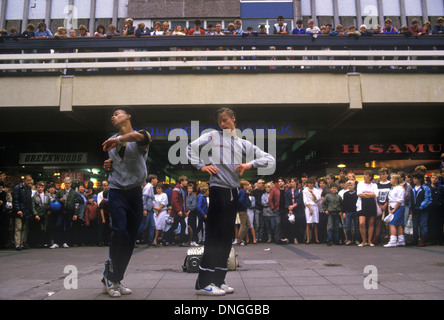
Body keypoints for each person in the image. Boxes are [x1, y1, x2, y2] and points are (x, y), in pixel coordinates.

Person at [187, 107, 275, 296]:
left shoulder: (242, 144)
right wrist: (202, 166)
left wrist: (250, 164)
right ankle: (203, 284)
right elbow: (190, 147)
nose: (222, 124)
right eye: (220, 121)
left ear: (233, 119)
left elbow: (269, 159)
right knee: (215, 237)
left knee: (227, 238)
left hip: (233, 193)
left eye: (225, 120)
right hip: (218, 191)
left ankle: (219, 280)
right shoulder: (213, 136)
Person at [101, 106, 151, 297]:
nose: (113, 116)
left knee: (130, 238)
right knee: (119, 232)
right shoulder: (111, 142)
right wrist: (107, 165)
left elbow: (139, 138)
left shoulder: (140, 136)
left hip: (135, 193)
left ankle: (115, 279)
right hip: (117, 192)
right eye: (112, 115)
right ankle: (111, 277)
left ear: (128, 116)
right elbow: (114, 166)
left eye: (117, 113)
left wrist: (119, 139)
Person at [51, 177, 78, 248]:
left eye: (68, 183)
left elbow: (76, 204)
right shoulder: (60, 192)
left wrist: (75, 213)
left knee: (68, 227)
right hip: (61, 211)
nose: (67, 185)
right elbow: (55, 200)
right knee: (58, 226)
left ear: (71, 184)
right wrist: (60, 200)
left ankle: (65, 242)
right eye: (66, 183)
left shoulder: (74, 193)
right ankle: (56, 242)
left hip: (70, 212)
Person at [409, 171, 432, 247]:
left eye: (415, 178)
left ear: (420, 179)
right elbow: (410, 199)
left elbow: (428, 199)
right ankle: (415, 239)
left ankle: (423, 240)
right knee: (415, 225)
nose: (414, 180)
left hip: (423, 209)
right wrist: (411, 208)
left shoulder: (425, 188)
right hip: (414, 209)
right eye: (413, 178)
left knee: (423, 224)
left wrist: (421, 206)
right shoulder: (412, 189)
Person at [357, 170, 378, 247]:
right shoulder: (360, 183)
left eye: (366, 175)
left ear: (370, 177)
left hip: (371, 204)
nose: (364, 176)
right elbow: (359, 194)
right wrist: (369, 195)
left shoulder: (374, 185)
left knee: (371, 223)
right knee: (361, 223)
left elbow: (375, 194)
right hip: (362, 204)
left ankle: (369, 241)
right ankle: (363, 240)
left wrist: (365, 194)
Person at [384, 174, 406, 247]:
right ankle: (401, 240)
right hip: (392, 207)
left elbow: (400, 200)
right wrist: (389, 208)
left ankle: (393, 241)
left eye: (392, 179)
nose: (390, 180)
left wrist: (394, 209)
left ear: (396, 180)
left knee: (392, 223)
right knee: (398, 224)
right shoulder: (393, 188)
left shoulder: (400, 188)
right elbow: (390, 199)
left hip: (398, 207)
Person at [165, 176, 188, 246]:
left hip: (179, 211)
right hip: (178, 211)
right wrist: (179, 211)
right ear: (181, 181)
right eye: (185, 181)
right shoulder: (177, 189)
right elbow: (174, 201)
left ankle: (166, 239)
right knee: (182, 225)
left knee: (175, 226)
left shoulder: (181, 189)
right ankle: (181, 241)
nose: (187, 182)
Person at [12, 175, 33, 250]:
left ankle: (21, 243)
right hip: (19, 210)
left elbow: (29, 201)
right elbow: (15, 199)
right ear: (24, 180)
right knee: (18, 227)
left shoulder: (28, 188)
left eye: (30, 180)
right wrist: (18, 209)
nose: (29, 182)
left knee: (24, 228)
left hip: (26, 210)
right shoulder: (17, 188)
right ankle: (17, 244)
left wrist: (29, 211)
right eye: (28, 180)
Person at [138, 174, 157, 247]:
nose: (157, 180)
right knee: (143, 225)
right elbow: (144, 198)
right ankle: (132, 239)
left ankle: (150, 241)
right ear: (152, 179)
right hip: (147, 210)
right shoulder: (148, 187)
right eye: (156, 179)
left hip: (149, 210)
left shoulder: (150, 187)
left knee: (151, 225)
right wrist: (144, 209)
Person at [30, 181, 50, 248]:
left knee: (45, 229)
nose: (40, 189)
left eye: (41, 187)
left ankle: (45, 242)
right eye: (38, 187)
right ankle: (37, 243)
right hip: (38, 214)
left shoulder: (46, 196)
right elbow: (33, 206)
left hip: (45, 214)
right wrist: (35, 214)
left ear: (43, 188)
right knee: (37, 229)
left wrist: (49, 210)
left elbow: (49, 204)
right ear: (36, 188)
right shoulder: (34, 197)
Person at [269, 178, 289, 244]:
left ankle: (284, 238)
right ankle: (277, 239)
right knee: (278, 224)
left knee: (284, 223)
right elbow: (270, 199)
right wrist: (273, 208)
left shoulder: (287, 190)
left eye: (281, 181)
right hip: (277, 209)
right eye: (279, 181)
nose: (280, 183)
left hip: (285, 209)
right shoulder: (274, 190)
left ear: (284, 182)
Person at [375, 167, 392, 245]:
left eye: (384, 174)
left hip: (388, 205)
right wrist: (379, 204)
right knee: (378, 222)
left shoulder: (390, 184)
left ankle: (389, 237)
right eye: (381, 174)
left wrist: (386, 204)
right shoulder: (377, 184)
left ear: (387, 174)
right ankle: (376, 237)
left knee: (388, 222)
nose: (382, 176)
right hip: (379, 205)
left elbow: (391, 195)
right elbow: (376, 196)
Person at [285, 177, 304, 244]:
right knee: (291, 224)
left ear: (296, 182)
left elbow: (300, 200)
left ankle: (298, 238)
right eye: (291, 181)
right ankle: (291, 238)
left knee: (298, 224)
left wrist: (293, 206)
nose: (292, 183)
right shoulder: (287, 191)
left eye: (293, 181)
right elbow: (286, 200)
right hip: (290, 209)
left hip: (298, 209)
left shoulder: (299, 191)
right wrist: (289, 208)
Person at [342, 180, 359, 245]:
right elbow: (344, 204)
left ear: (354, 186)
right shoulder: (345, 194)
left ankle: (357, 239)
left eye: (351, 185)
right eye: (348, 185)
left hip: (355, 212)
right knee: (347, 226)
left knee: (356, 227)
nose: (350, 186)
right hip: (348, 212)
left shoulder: (357, 194)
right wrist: (344, 212)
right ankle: (349, 239)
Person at [429, 172, 444, 245]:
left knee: (439, 224)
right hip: (430, 208)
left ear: (438, 179)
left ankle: (440, 239)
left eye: (436, 178)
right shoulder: (428, 187)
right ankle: (432, 239)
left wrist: (441, 203)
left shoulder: (441, 187)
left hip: (439, 208)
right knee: (431, 224)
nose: (434, 180)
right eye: (432, 178)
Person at [302, 178, 319, 244]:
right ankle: (308, 239)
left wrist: (312, 193)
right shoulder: (305, 190)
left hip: (315, 207)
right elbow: (305, 201)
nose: (310, 184)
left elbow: (316, 199)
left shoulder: (316, 190)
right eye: (309, 183)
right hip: (308, 207)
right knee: (308, 223)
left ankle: (316, 239)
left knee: (315, 223)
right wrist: (310, 209)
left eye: (312, 183)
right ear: (307, 184)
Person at [236, 180, 252, 246]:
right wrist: (246, 205)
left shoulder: (242, 192)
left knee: (247, 224)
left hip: (242, 210)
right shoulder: (243, 192)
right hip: (242, 210)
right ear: (244, 186)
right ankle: (239, 240)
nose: (248, 186)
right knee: (244, 225)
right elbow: (241, 201)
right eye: (247, 185)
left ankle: (241, 239)